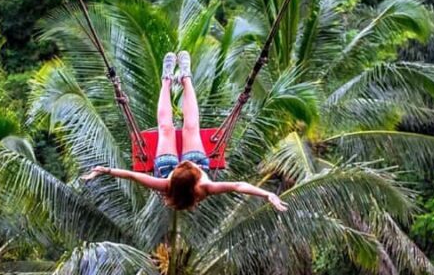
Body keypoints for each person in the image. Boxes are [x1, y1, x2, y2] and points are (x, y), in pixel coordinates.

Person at [82, 51, 288, 212]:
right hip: (198, 164)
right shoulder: (205, 186)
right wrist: (266, 194)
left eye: (182, 165)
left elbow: (132, 176)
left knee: (165, 129)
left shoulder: (165, 183)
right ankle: (186, 77)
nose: (183, 160)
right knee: (191, 127)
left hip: (165, 168)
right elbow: (238, 185)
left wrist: (104, 170)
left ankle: (167, 79)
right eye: (185, 164)